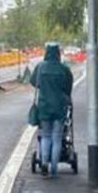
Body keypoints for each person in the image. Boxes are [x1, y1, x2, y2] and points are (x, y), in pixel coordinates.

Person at [30, 42, 73, 178]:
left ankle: (44, 163)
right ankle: (54, 168)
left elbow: (33, 82)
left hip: (44, 106)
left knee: (45, 136)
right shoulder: (63, 69)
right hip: (60, 107)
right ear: (58, 53)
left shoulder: (40, 67)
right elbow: (68, 87)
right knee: (57, 137)